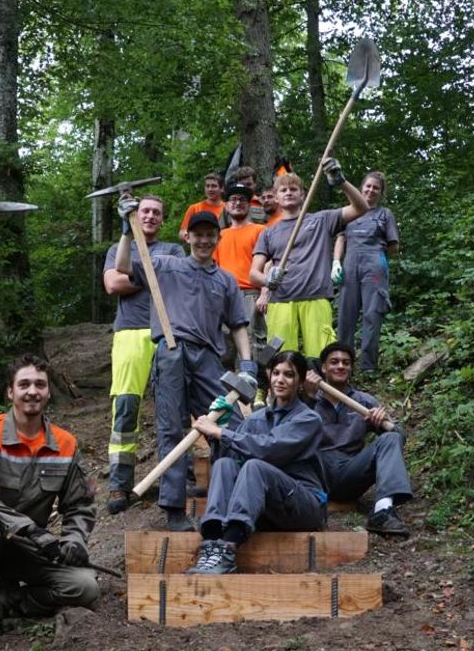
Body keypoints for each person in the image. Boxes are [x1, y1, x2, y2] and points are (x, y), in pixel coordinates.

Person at [115, 204, 256, 532]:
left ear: (217, 238)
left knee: (229, 423)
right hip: (171, 351)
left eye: (210, 235)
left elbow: (237, 325)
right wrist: (126, 230)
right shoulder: (165, 265)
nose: (204, 241)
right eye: (198, 235)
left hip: (208, 359)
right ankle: (175, 509)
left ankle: (230, 495)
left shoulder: (225, 280)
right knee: (171, 428)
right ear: (187, 236)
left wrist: (247, 363)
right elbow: (123, 267)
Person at [0, 355, 100, 645]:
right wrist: (28, 528)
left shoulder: (65, 443)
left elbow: (80, 506)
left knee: (86, 588)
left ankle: (11, 601)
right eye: (24, 384)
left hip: (31, 552)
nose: (32, 391)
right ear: (10, 392)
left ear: (48, 391)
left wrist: (74, 541)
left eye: (40, 384)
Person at [188, 350, 327, 573]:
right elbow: (228, 461)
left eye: (289, 375)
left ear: (300, 382)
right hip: (264, 510)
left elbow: (269, 449)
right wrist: (219, 430)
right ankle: (213, 545)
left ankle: (230, 547)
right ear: (269, 377)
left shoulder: (309, 419)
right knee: (225, 464)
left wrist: (222, 434)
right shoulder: (255, 420)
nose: (280, 380)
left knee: (255, 466)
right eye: (276, 373)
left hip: (303, 507)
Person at [101, 194, 185, 514]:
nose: (149, 216)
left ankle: (175, 480)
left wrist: (134, 277)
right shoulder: (119, 248)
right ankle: (120, 484)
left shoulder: (173, 250)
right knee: (125, 406)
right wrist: (151, 276)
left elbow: (176, 282)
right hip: (129, 333)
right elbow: (112, 284)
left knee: (171, 409)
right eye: (145, 211)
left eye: (156, 213)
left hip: (165, 331)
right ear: (136, 215)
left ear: (163, 220)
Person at [248, 165, 368, 360]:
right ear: (276, 197)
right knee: (281, 360)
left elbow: (361, 207)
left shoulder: (321, 220)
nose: (288, 192)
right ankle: (279, 391)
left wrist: (341, 181)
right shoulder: (268, 233)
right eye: (283, 190)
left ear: (303, 195)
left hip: (316, 298)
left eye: (293, 189)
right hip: (281, 302)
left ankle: (322, 391)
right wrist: (267, 281)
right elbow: (253, 274)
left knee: (322, 358)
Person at [306, 341, 414, 538]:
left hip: (350, 472)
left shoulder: (364, 401)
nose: (340, 366)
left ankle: (382, 510)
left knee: (390, 437)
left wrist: (382, 422)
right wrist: (309, 398)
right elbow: (291, 432)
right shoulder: (308, 398)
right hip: (315, 473)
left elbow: (398, 436)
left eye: (346, 363)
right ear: (323, 367)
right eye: (334, 362)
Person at [332, 170, 399, 372]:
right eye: (368, 186)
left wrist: (377, 258)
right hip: (349, 265)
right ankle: (342, 365)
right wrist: (336, 262)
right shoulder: (350, 211)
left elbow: (394, 246)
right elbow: (341, 238)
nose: (371, 190)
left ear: (380, 193)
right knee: (346, 315)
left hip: (374, 268)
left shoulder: (384, 214)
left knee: (372, 315)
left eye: (375, 188)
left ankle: (368, 368)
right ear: (361, 187)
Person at [212, 180, 267, 364]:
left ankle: (254, 388)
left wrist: (265, 293)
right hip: (223, 295)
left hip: (251, 294)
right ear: (226, 205)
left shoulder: (260, 230)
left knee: (252, 346)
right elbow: (213, 268)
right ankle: (224, 391)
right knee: (223, 348)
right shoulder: (219, 235)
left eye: (242, 199)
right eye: (233, 199)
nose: (237, 203)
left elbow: (269, 264)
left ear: (249, 205)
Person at [178, 172, 226, 241]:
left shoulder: (228, 208)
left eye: (214, 186)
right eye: (207, 186)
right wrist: (192, 236)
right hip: (200, 247)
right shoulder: (194, 208)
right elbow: (182, 232)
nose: (210, 189)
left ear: (222, 188)